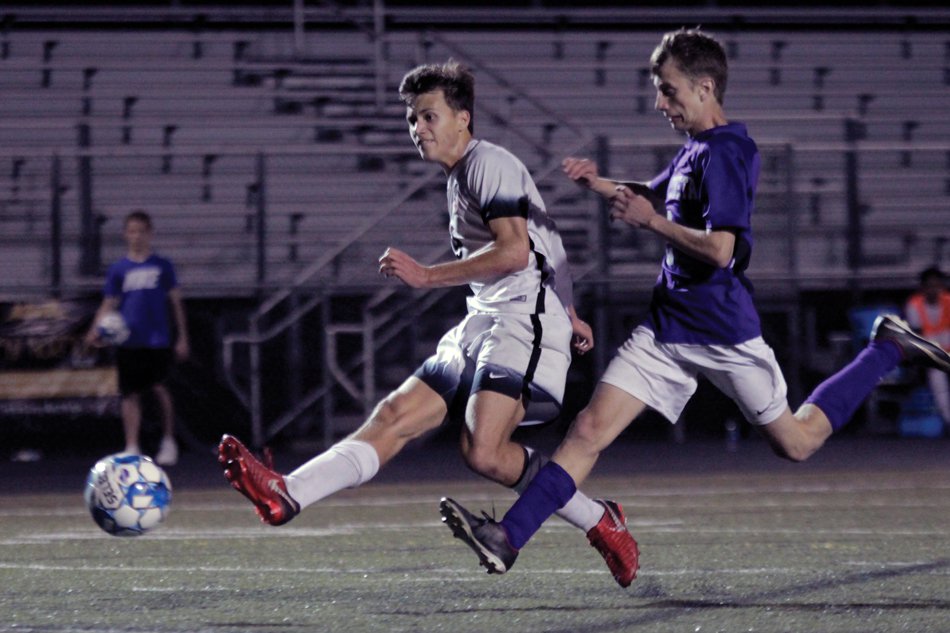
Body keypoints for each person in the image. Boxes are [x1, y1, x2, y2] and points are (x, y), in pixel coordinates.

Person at [439, 28, 950, 579]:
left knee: (798, 443)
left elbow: (721, 250)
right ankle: (508, 537)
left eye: (669, 90)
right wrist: (600, 184)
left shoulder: (729, 153)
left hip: (723, 330)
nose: (661, 103)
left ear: (705, 87)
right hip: (665, 327)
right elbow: (656, 194)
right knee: (588, 431)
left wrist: (650, 222)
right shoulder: (695, 150)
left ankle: (886, 349)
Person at [217, 60, 641, 587]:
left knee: (482, 451)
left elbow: (513, 253)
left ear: (463, 118)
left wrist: (426, 276)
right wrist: (571, 306)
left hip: (521, 322)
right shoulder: (465, 174)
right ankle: (289, 494)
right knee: (394, 415)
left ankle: (600, 519)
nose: (418, 128)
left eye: (428, 116)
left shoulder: (490, 162)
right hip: (487, 318)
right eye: (413, 119)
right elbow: (545, 241)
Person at [86, 209, 189, 466]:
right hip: (128, 340)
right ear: (125, 235)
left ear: (150, 234)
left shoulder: (162, 266)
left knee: (159, 388)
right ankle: (132, 445)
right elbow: (109, 302)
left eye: (141, 231)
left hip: (157, 339)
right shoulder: (119, 269)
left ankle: (168, 441)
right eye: (132, 231)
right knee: (130, 393)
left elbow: (176, 303)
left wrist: (182, 337)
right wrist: (95, 328)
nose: (137, 236)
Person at [904, 266, 950, 429]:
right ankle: (948, 419)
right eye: (930, 286)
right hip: (928, 354)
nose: (933, 290)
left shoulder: (948, 301)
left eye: (937, 285)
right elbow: (916, 337)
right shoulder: (914, 305)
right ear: (923, 288)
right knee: (937, 375)